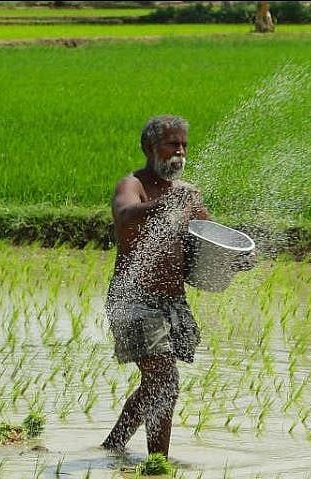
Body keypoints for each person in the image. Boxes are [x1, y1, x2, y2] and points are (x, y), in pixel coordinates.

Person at [101, 115, 254, 458]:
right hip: (134, 299)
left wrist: (237, 260)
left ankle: (113, 446)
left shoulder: (188, 194)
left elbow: (210, 242)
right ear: (149, 148)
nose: (180, 152)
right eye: (172, 144)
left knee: (155, 383)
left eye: (184, 144)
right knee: (164, 382)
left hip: (173, 302)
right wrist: (161, 206)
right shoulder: (133, 185)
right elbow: (125, 215)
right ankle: (158, 464)